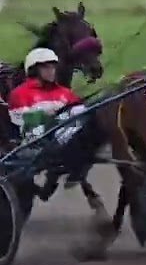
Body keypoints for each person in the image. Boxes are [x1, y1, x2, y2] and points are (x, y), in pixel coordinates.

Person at [6, 48, 91, 198]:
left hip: (63, 136)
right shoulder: (20, 93)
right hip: (33, 139)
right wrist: (45, 113)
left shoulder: (64, 92)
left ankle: (68, 163)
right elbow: (19, 119)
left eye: (53, 67)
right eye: (46, 67)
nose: (51, 71)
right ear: (34, 70)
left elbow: (80, 113)